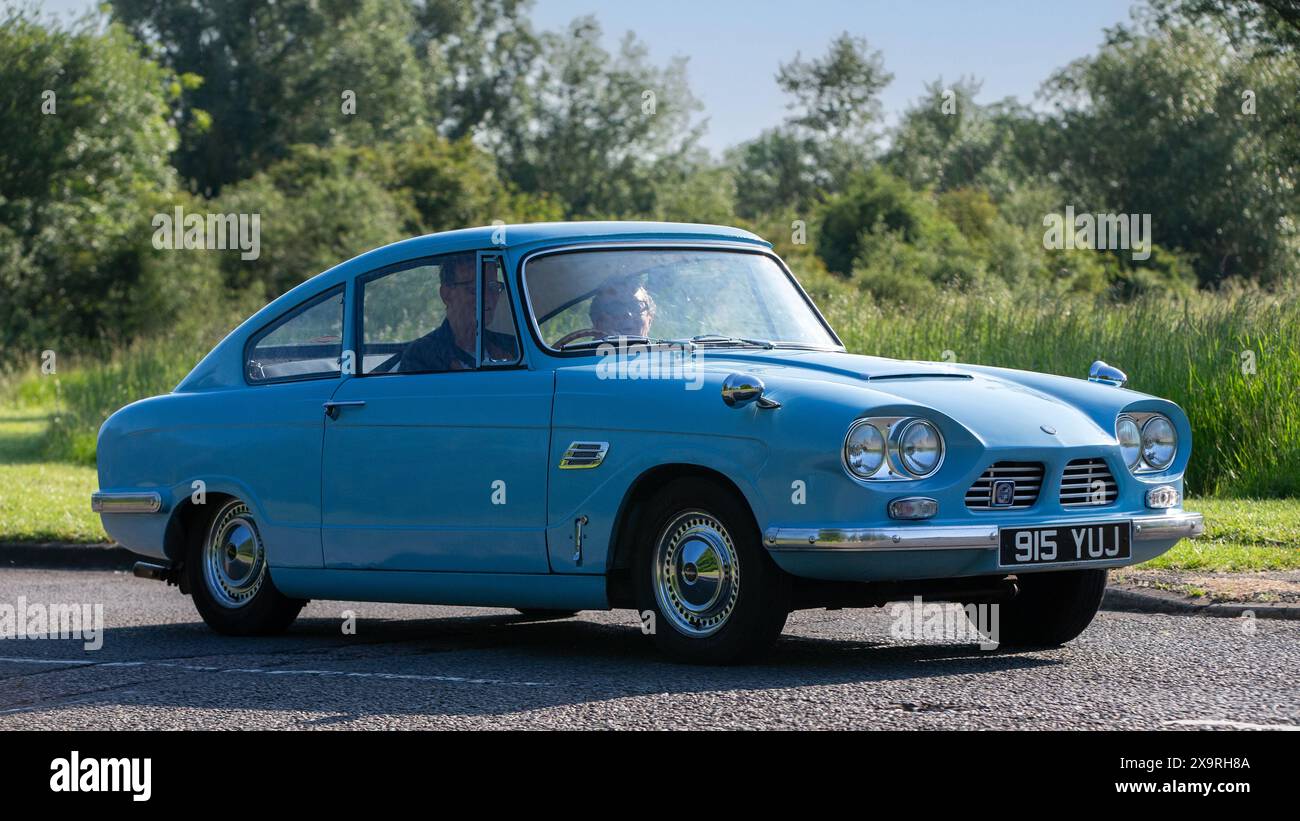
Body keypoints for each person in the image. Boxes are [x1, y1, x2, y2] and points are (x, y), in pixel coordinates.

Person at [399, 253, 517, 372]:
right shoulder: (421, 355)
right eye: (475, 288)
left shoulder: (511, 347)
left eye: (493, 287)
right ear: (447, 294)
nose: (487, 297)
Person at [589, 279, 657, 338]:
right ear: (597, 323)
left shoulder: (665, 352)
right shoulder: (582, 352)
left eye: (635, 305)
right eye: (615, 308)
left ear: (649, 319)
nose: (628, 314)